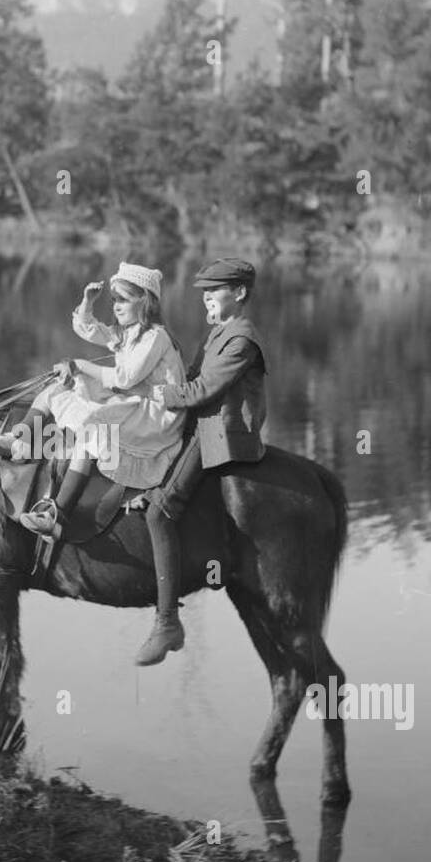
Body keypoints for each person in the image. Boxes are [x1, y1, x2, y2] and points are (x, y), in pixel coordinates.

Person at [0, 262, 186, 540]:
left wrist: (79, 364)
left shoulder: (154, 336)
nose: (116, 306)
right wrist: (88, 302)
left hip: (157, 417)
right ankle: (19, 441)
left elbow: (124, 377)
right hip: (136, 403)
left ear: (144, 301)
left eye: (123, 299)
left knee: (92, 427)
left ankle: (55, 515)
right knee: (56, 388)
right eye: (114, 300)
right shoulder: (129, 332)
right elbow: (88, 329)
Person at [138, 257, 268, 666]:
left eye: (215, 292)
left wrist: (170, 396)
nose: (207, 299)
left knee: (160, 514)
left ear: (240, 294)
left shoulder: (241, 340)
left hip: (216, 433)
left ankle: (167, 623)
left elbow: (206, 389)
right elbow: (191, 376)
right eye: (205, 293)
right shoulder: (218, 334)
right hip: (200, 424)